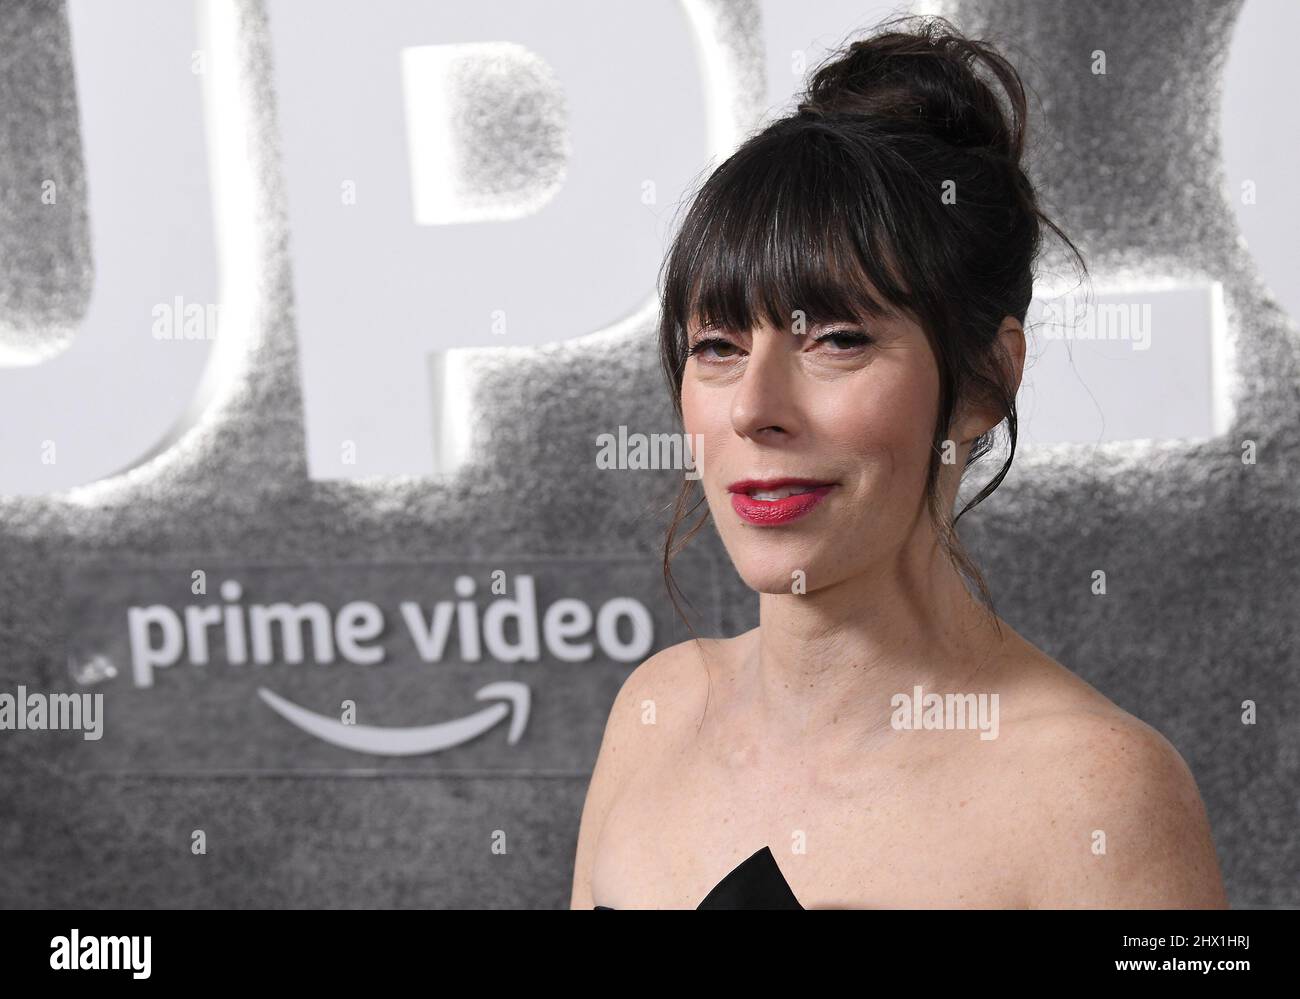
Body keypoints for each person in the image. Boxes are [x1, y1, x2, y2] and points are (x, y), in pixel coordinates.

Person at [570, 13, 1228, 909]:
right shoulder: (655, 713)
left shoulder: (1099, 792)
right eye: (718, 345)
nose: (757, 409)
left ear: (986, 380)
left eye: (837, 339)